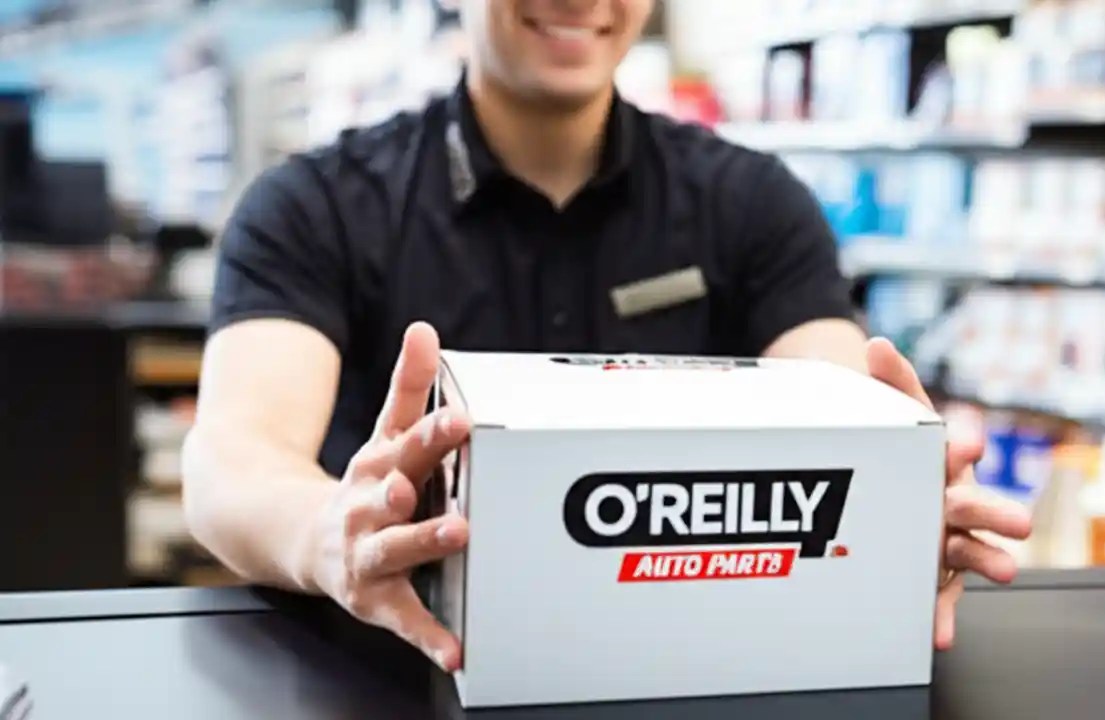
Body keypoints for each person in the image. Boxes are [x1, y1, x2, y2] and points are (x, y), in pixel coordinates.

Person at [182, 0, 1032, 673]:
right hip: (393, 670)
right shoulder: (312, 208)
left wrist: (892, 502)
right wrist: (327, 535)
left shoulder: (753, 206)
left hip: (689, 672)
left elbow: (837, 415)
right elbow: (232, 464)